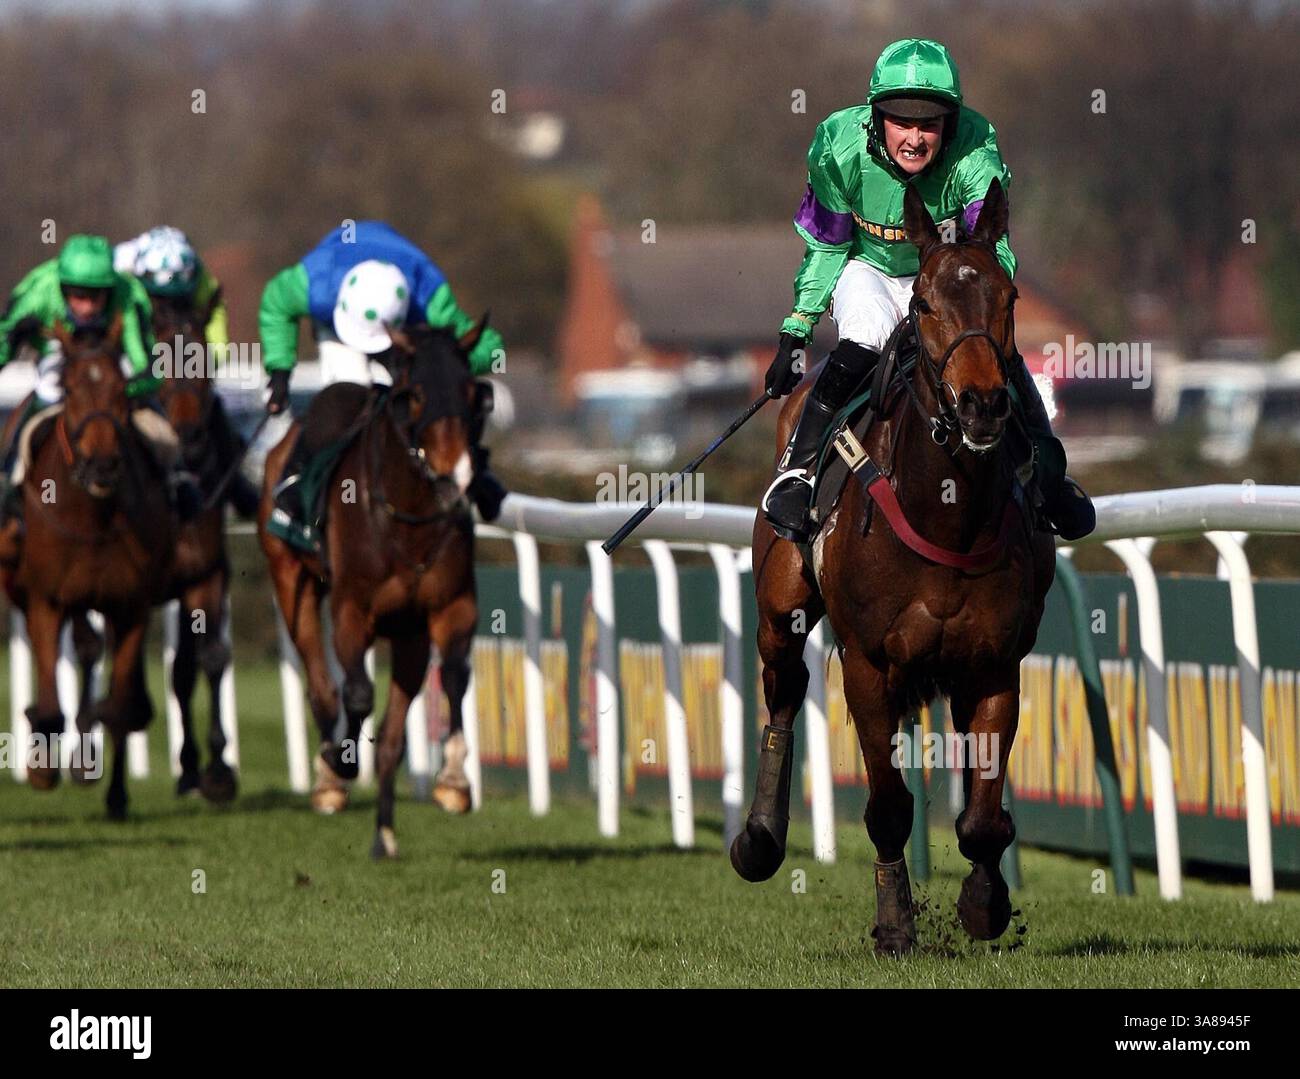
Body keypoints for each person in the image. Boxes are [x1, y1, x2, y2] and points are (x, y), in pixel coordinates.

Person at [761, 37, 1095, 544]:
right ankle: (799, 471)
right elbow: (828, 246)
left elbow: (989, 242)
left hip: (946, 271)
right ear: (876, 117)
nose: (915, 138)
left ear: (950, 125)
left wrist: (986, 304)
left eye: (929, 124)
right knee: (868, 332)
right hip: (864, 266)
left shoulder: (976, 147)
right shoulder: (836, 144)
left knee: (987, 351)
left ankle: (1049, 477)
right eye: (902, 121)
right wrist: (797, 330)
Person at [257, 221, 506, 552]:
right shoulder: (316, 283)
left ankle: (471, 469)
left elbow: (491, 348)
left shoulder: (428, 296)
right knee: (347, 393)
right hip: (339, 328)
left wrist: (442, 367)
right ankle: (296, 482)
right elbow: (275, 304)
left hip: (402, 336)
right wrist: (279, 370)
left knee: (413, 398)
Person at [0, 234, 199, 532]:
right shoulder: (39, 293)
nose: (87, 307)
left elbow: (145, 364)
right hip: (58, 351)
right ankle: (10, 478)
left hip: (111, 358)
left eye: (96, 297)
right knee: (47, 393)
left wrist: (118, 392)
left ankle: (177, 476)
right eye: (78, 296)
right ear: (63, 289)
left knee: (155, 423)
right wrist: (13, 339)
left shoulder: (128, 294)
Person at [115, 225, 259, 516]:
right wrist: (141, 366)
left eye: (176, 296)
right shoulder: (120, 274)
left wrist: (212, 356)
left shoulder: (199, 276)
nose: (169, 301)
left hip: (179, 338)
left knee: (207, 401)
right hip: (127, 340)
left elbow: (215, 312)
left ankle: (234, 482)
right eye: (161, 295)